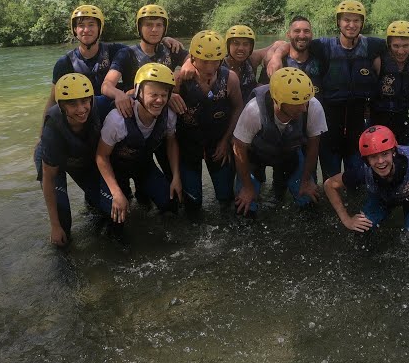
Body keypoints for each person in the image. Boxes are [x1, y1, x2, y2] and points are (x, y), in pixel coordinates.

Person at [265, 0, 409, 178]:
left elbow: (400, 43)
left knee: (358, 181)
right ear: (338, 22)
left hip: (357, 128)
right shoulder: (323, 46)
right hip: (330, 128)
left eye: (356, 21)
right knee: (330, 179)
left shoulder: (371, 45)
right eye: (346, 20)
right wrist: (276, 56)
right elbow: (293, 43)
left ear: (362, 23)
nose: (351, 25)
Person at [323, 125, 409, 243]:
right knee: (360, 232)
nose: (380, 161)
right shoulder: (363, 171)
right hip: (382, 198)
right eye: (373, 157)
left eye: (385, 154)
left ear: (393, 153)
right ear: (367, 160)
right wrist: (346, 220)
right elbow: (329, 185)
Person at [170, 31, 244, 220]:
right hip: (189, 147)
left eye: (215, 61)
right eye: (204, 61)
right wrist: (169, 96)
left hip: (218, 145)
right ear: (193, 58)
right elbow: (147, 91)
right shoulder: (179, 80)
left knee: (226, 199)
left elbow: (238, 108)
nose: (210, 68)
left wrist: (226, 141)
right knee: (192, 204)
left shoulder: (230, 78)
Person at [94, 63, 176, 231]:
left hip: (143, 167)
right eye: (153, 95)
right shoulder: (117, 120)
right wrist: (116, 192)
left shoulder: (169, 115)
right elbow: (101, 156)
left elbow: (172, 141)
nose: (159, 100)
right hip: (116, 170)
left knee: (170, 204)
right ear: (139, 93)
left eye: (164, 95)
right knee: (116, 219)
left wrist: (176, 177)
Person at [34, 74, 115, 245]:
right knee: (63, 227)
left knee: (111, 211)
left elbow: (133, 99)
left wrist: (124, 96)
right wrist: (54, 225)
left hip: (80, 157)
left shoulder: (100, 105)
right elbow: (49, 178)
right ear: (61, 106)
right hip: (54, 160)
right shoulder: (52, 130)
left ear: (91, 99)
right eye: (72, 104)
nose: (81, 109)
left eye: (84, 101)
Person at [232, 67, 325, 214]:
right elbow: (239, 147)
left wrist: (306, 180)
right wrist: (247, 188)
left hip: (290, 154)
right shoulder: (253, 110)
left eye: (305, 101)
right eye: (297, 102)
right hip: (256, 155)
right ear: (277, 101)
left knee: (309, 201)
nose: (304, 108)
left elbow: (313, 145)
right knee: (245, 207)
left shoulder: (313, 106)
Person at [102, 4, 185, 117]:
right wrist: (118, 94)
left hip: (163, 105)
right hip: (136, 110)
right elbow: (106, 85)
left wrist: (180, 71)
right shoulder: (126, 54)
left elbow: (195, 61)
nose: (154, 29)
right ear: (140, 28)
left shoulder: (171, 49)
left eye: (159, 25)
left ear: (164, 28)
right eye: (149, 25)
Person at [371, 21, 409, 146]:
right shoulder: (379, 61)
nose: (400, 51)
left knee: (404, 156)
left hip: (403, 120)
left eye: (405, 46)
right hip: (378, 119)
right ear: (389, 44)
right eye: (396, 46)